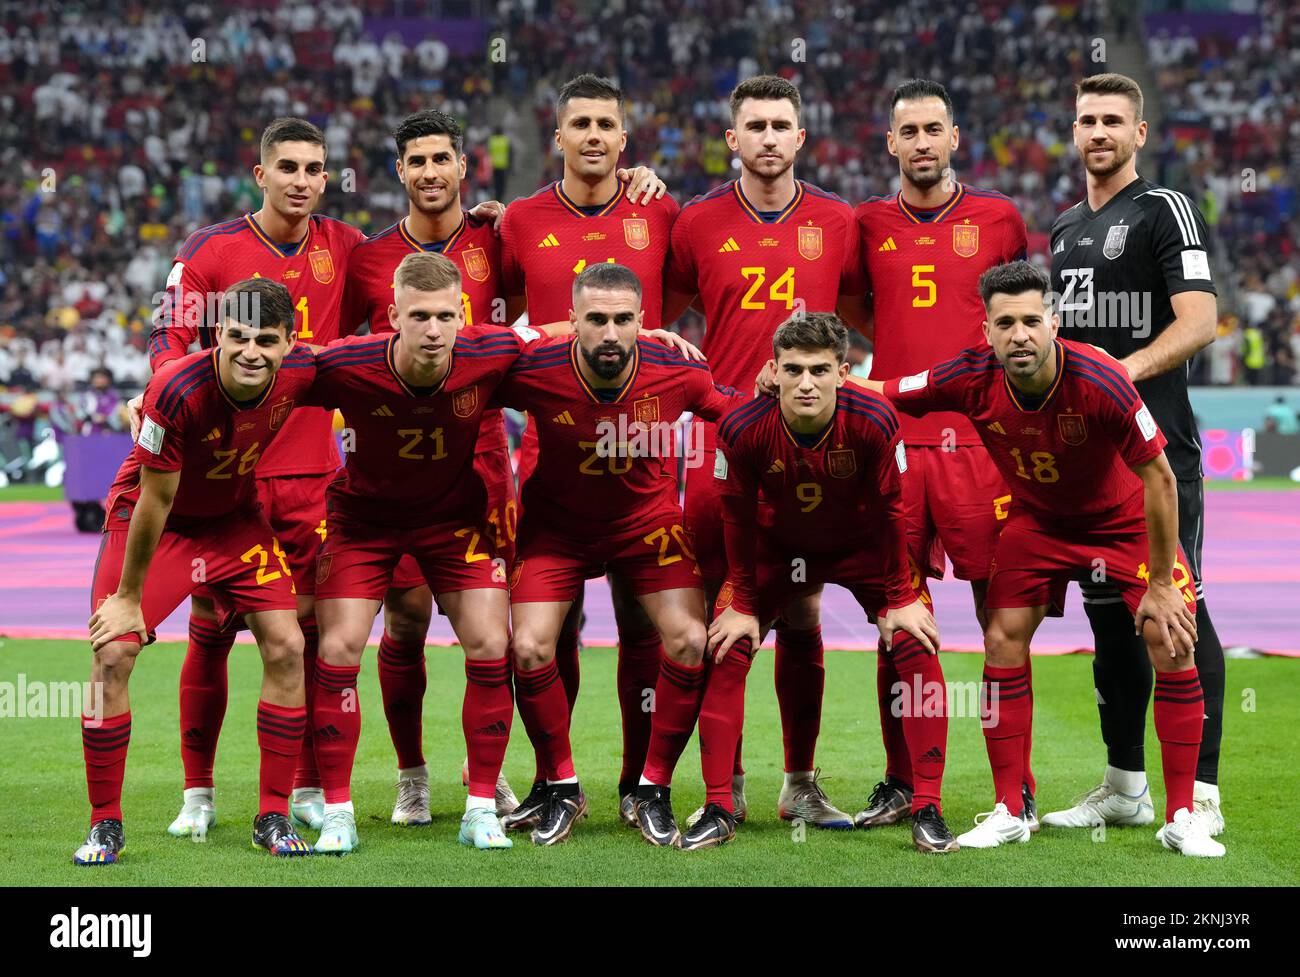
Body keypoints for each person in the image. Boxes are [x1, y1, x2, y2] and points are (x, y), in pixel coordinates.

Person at [876, 261, 1223, 858]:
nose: (1019, 335)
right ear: (985, 330)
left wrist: (1164, 583)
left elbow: (1161, 480)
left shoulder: (1103, 379)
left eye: (1032, 321)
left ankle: (1183, 815)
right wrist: (812, 382)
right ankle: (1012, 808)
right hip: (1037, 524)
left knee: (1173, 641)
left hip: (1122, 524)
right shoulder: (968, 375)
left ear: (1054, 323)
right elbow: (886, 390)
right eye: (1005, 323)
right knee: (1001, 640)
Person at [307, 252, 575, 852]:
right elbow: (268, 367)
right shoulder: (346, 362)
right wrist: (164, 389)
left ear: (462, 316)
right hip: (364, 524)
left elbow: (564, 331)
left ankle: (479, 806)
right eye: (420, 315)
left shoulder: (489, 349)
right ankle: (338, 810)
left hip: (452, 523)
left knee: (490, 642)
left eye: (445, 316)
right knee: (339, 646)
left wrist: (653, 337)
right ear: (393, 316)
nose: (433, 330)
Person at [148, 118, 365, 837]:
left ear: (325, 178)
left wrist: (481, 220)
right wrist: (163, 407)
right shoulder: (212, 251)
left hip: (310, 475)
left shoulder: (346, 247)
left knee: (299, 637)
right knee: (209, 629)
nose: (302, 180)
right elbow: (170, 342)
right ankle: (198, 793)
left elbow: (412, 277)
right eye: (289, 167)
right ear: (260, 173)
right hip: (229, 480)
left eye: (314, 169)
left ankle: (301, 788)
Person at [664, 74, 870, 829]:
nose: (770, 137)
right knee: (719, 607)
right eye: (756, 125)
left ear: (801, 137)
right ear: (733, 139)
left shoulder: (839, 221)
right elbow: (654, 320)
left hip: (809, 450)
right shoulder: (694, 222)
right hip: (720, 442)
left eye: (783, 124)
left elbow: (859, 314)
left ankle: (800, 780)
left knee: (805, 605)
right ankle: (729, 781)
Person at [490, 262, 746, 846]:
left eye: (623, 320)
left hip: (646, 527)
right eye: (597, 319)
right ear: (572, 320)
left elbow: (738, 414)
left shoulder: (676, 370)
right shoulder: (534, 370)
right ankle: (561, 787)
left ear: (644, 323)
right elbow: (465, 372)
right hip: (556, 531)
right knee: (529, 647)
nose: (610, 333)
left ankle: (651, 788)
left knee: (686, 640)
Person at [77, 278, 315, 864]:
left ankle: (273, 816)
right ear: (216, 335)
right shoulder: (175, 389)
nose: (251, 351)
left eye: (266, 339)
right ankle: (105, 825)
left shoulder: (306, 372)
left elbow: (389, 356)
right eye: (237, 337)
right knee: (113, 652)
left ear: (289, 343)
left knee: (287, 646)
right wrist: (130, 597)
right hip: (156, 523)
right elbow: (156, 502)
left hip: (235, 521)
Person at [1046, 73, 1227, 837]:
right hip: (1089, 466)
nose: (1098, 131)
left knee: (1176, 611)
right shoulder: (1059, 230)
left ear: (1139, 134)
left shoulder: (1162, 210)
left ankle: (1203, 794)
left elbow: (1201, 321)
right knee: (1109, 623)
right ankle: (1125, 786)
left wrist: (1125, 371)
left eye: (1113, 120)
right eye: (1087, 119)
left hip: (1157, 453)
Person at [498, 74, 680, 827]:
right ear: (559, 136)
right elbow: (494, 317)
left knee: (646, 627)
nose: (596, 135)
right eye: (582, 123)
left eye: (608, 122)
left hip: (645, 453)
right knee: (548, 628)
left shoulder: (659, 208)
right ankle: (555, 781)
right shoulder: (515, 222)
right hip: (552, 460)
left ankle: (642, 784)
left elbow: (691, 295)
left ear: (625, 138)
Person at [698, 312, 947, 853]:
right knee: (726, 643)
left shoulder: (876, 417)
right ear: (774, 371)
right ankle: (720, 805)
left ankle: (926, 806)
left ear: (843, 370)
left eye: (818, 370)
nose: (806, 383)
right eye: (793, 369)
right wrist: (741, 602)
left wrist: (900, 599)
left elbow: (890, 513)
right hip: (778, 546)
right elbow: (735, 519)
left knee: (914, 639)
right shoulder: (742, 426)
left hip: (863, 548)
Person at [854, 78, 1032, 831]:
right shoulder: (863, 223)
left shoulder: (999, 219)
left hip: (982, 450)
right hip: (895, 447)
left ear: (955, 137)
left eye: (935, 129)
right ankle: (902, 781)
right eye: (909, 132)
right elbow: (858, 306)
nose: (922, 143)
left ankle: (1011, 788)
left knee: (1003, 616)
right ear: (890, 143)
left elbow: (1021, 317)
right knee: (898, 622)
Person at [341, 109, 521, 825]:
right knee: (408, 619)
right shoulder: (367, 258)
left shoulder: (502, 235)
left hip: (483, 459)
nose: (429, 172)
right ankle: (412, 774)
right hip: (399, 462)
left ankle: (493, 772)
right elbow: (328, 346)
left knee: (491, 625)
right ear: (400, 172)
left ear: (463, 164)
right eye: (416, 161)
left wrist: (634, 181)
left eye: (441, 158)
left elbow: (568, 272)